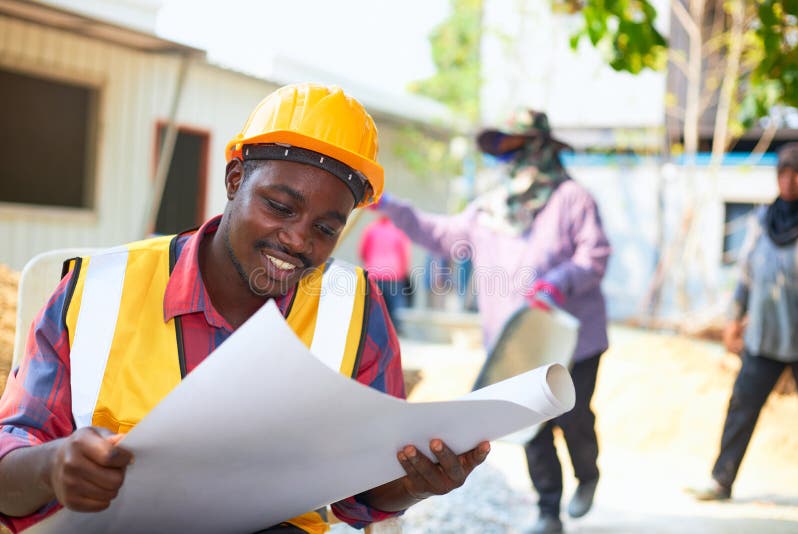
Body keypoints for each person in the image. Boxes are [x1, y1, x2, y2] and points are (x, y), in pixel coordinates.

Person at [0, 83, 491, 534]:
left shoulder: (355, 311)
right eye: (280, 206)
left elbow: (363, 493)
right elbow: (9, 465)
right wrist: (53, 466)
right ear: (235, 179)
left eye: (325, 228)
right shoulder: (99, 291)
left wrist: (420, 481)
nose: (297, 239)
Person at [376, 110, 611, 534]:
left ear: (539, 147)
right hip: (517, 343)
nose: (512, 160)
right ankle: (548, 512)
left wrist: (557, 283)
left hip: (573, 338)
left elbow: (593, 255)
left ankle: (587, 473)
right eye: (506, 151)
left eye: (518, 148)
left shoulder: (572, 198)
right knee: (531, 426)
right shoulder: (489, 208)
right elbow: (441, 234)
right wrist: (390, 205)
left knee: (573, 418)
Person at [689, 142, 798, 502]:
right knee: (742, 407)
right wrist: (734, 320)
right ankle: (722, 480)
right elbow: (746, 277)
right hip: (765, 337)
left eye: (796, 173)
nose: (790, 181)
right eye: (783, 173)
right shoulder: (763, 221)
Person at [358, 214, 412, 329]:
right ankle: (397, 336)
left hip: (374, 274)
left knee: (373, 310)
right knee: (396, 312)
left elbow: (362, 252)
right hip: (394, 275)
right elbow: (404, 254)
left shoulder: (371, 229)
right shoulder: (399, 230)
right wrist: (405, 272)